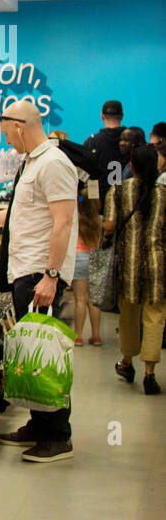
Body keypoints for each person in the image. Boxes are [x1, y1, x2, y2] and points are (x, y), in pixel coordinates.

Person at [0, 100, 78, 462]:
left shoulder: (53, 164)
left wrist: (51, 276)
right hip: (28, 271)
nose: (7, 143)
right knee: (31, 352)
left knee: (46, 354)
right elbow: (16, 214)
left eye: (7, 134)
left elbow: (63, 222)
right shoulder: (33, 163)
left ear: (20, 126)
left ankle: (58, 436)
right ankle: (39, 424)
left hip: (41, 273)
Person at [103, 144, 164, 396]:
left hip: (127, 264)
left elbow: (109, 225)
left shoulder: (118, 191)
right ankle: (150, 372)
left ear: (132, 165)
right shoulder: (162, 193)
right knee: (155, 317)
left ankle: (127, 362)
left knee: (128, 315)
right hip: (158, 264)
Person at [71, 188, 103, 347]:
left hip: (79, 259)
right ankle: (96, 336)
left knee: (80, 299)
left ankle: (78, 336)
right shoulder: (99, 221)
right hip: (95, 259)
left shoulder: (76, 219)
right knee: (93, 301)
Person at [85, 99, 123, 199]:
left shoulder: (92, 142)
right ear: (122, 116)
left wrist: (93, 203)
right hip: (129, 202)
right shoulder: (133, 139)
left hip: (101, 203)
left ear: (102, 116)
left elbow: (88, 175)